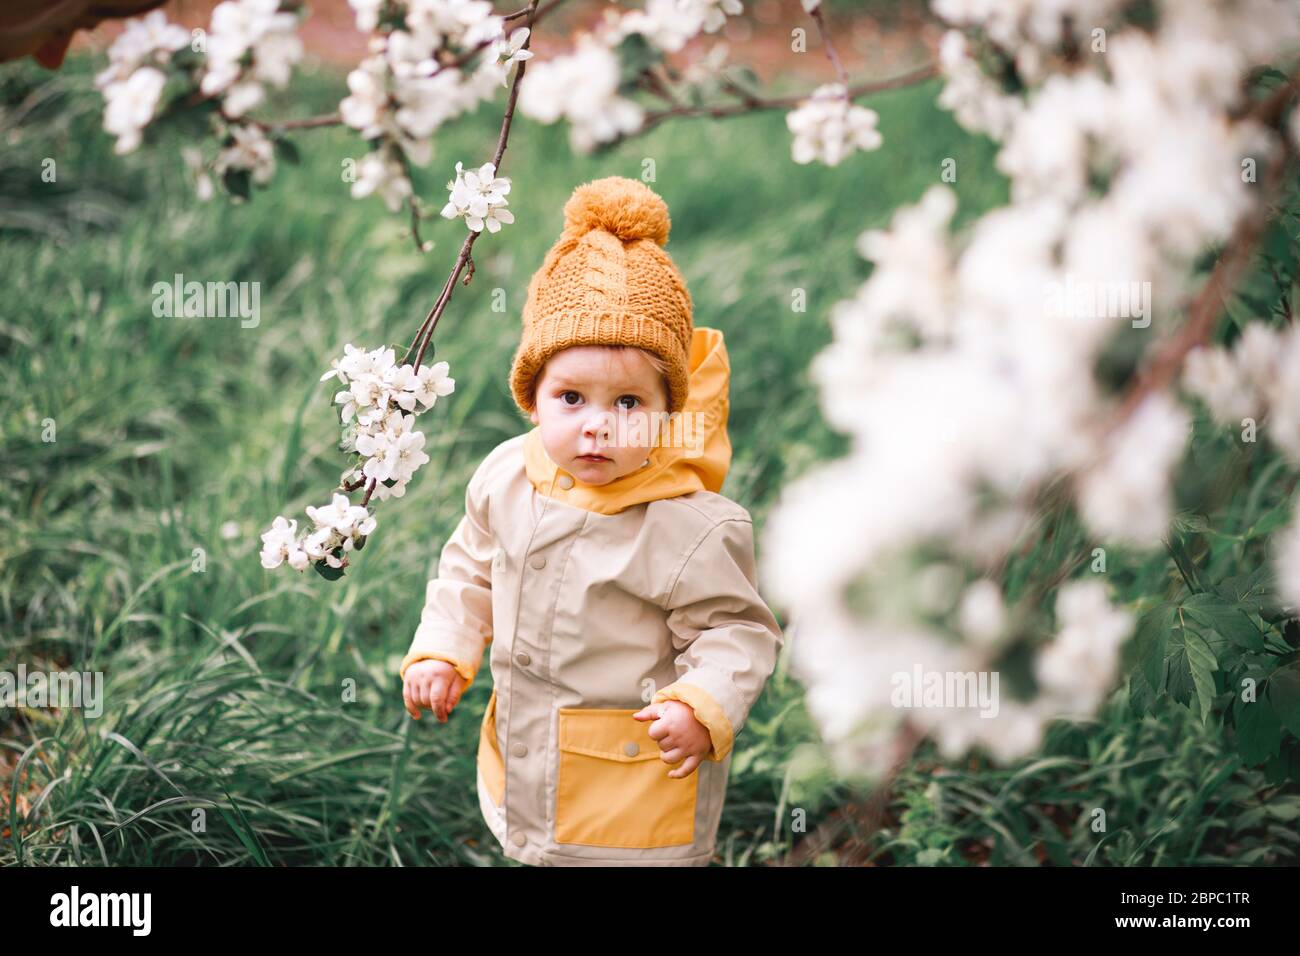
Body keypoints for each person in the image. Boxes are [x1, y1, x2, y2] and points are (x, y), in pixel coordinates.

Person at [399, 175, 784, 866]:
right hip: (530, 760)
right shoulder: (507, 476)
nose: (598, 427)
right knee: (533, 845)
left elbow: (737, 630)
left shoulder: (688, 526)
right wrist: (445, 643)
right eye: (571, 397)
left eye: (630, 403)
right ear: (534, 397)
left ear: (670, 409)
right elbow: (469, 565)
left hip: (637, 784)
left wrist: (700, 704)